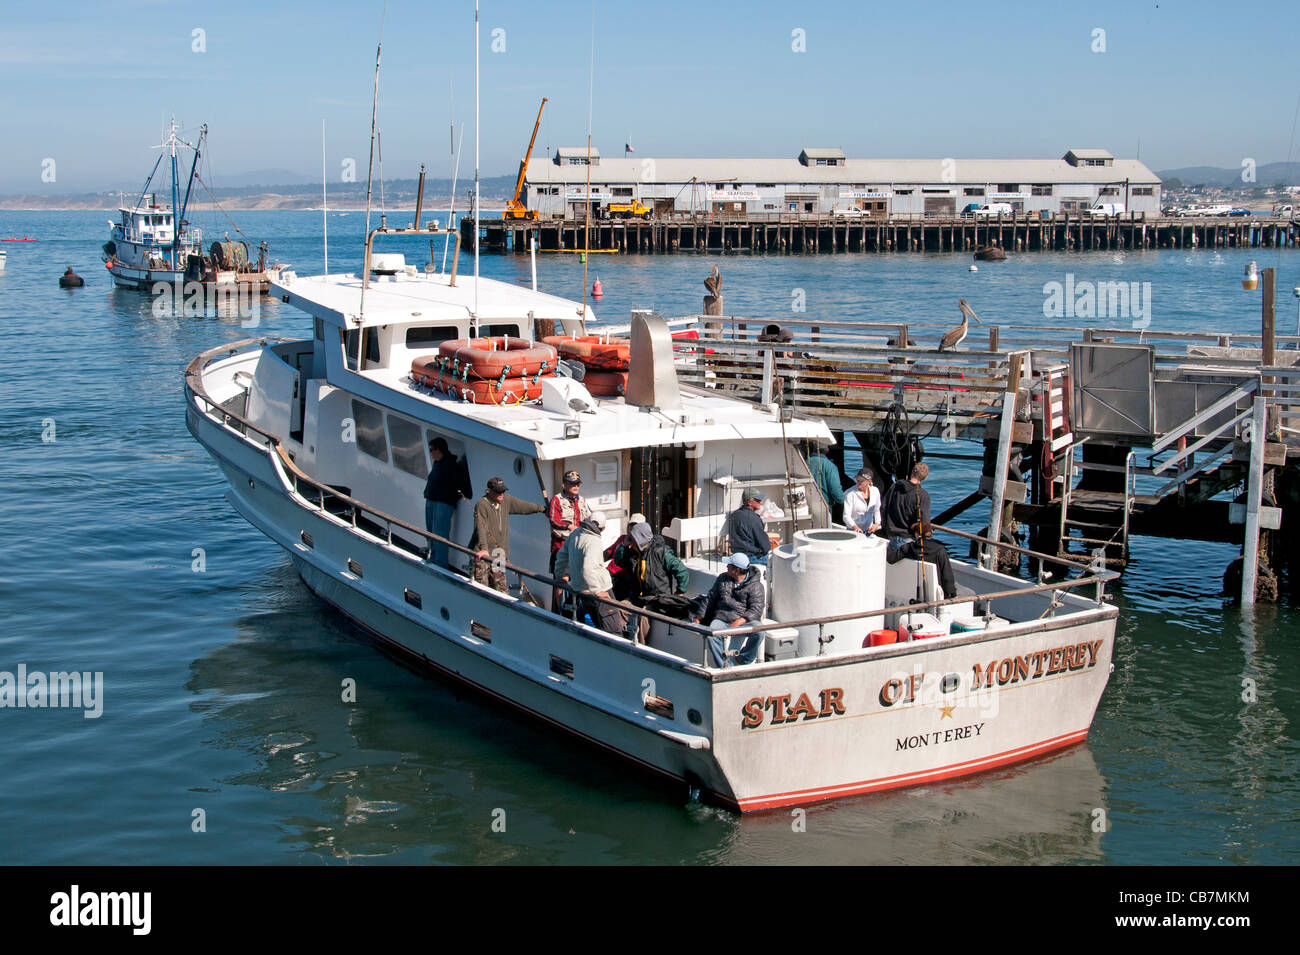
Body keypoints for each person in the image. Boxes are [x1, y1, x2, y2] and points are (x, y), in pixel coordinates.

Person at [882, 462, 956, 599]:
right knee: (940, 551)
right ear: (924, 478)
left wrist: (888, 529)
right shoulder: (922, 495)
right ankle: (947, 591)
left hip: (893, 540)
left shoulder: (894, 487)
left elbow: (883, 508)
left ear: (912, 472)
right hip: (909, 542)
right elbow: (924, 524)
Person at [553, 511, 629, 635]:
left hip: (580, 590)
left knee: (597, 627)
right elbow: (588, 568)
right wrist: (598, 591)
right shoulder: (593, 540)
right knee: (613, 631)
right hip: (598, 591)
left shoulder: (575, 534)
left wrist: (560, 576)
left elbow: (562, 556)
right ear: (603, 528)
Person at [470, 476, 545, 593]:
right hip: (483, 554)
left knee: (501, 589)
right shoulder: (481, 504)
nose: (502, 494)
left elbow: (523, 506)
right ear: (489, 491)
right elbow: (480, 527)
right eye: (498, 492)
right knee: (481, 589)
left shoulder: (506, 500)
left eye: (503, 491)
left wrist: (542, 509)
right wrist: (484, 548)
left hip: (498, 553)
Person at [690, 553, 766, 667]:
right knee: (712, 634)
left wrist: (739, 621)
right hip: (722, 618)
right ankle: (725, 665)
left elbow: (756, 609)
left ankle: (744, 659)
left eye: (729, 565)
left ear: (737, 570)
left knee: (760, 631)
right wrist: (699, 617)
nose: (726, 567)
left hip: (743, 621)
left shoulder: (756, 586)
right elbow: (710, 598)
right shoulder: (722, 578)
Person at [424, 436, 471, 567]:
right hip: (432, 501)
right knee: (430, 533)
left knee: (440, 535)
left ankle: (440, 564)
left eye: (432, 449)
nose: (431, 452)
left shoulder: (451, 465)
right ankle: (433, 558)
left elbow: (460, 486)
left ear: (440, 450)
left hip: (443, 504)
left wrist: (450, 498)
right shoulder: (437, 464)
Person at [626, 522, 690, 610]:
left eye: (632, 538)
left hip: (658, 599)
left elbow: (682, 571)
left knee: (643, 613)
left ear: (640, 537)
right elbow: (619, 562)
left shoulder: (661, 552)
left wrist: (680, 591)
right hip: (639, 598)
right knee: (620, 608)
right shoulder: (634, 552)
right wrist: (623, 546)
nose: (631, 540)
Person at [725, 488, 772, 563]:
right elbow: (765, 546)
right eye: (758, 500)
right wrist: (767, 544)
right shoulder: (754, 518)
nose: (761, 502)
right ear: (750, 502)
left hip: (737, 556)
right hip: (753, 557)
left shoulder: (735, 515)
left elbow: (744, 536)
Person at [807, 449, 845, 524]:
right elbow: (836, 491)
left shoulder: (804, 461)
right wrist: (842, 501)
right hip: (824, 505)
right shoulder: (830, 466)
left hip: (806, 504)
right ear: (827, 450)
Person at [843, 467, 881, 535]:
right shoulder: (849, 493)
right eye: (857, 478)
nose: (858, 481)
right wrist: (855, 527)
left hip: (869, 531)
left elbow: (877, 510)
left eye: (861, 480)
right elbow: (846, 516)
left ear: (869, 481)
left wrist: (877, 523)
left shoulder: (875, 491)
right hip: (853, 532)